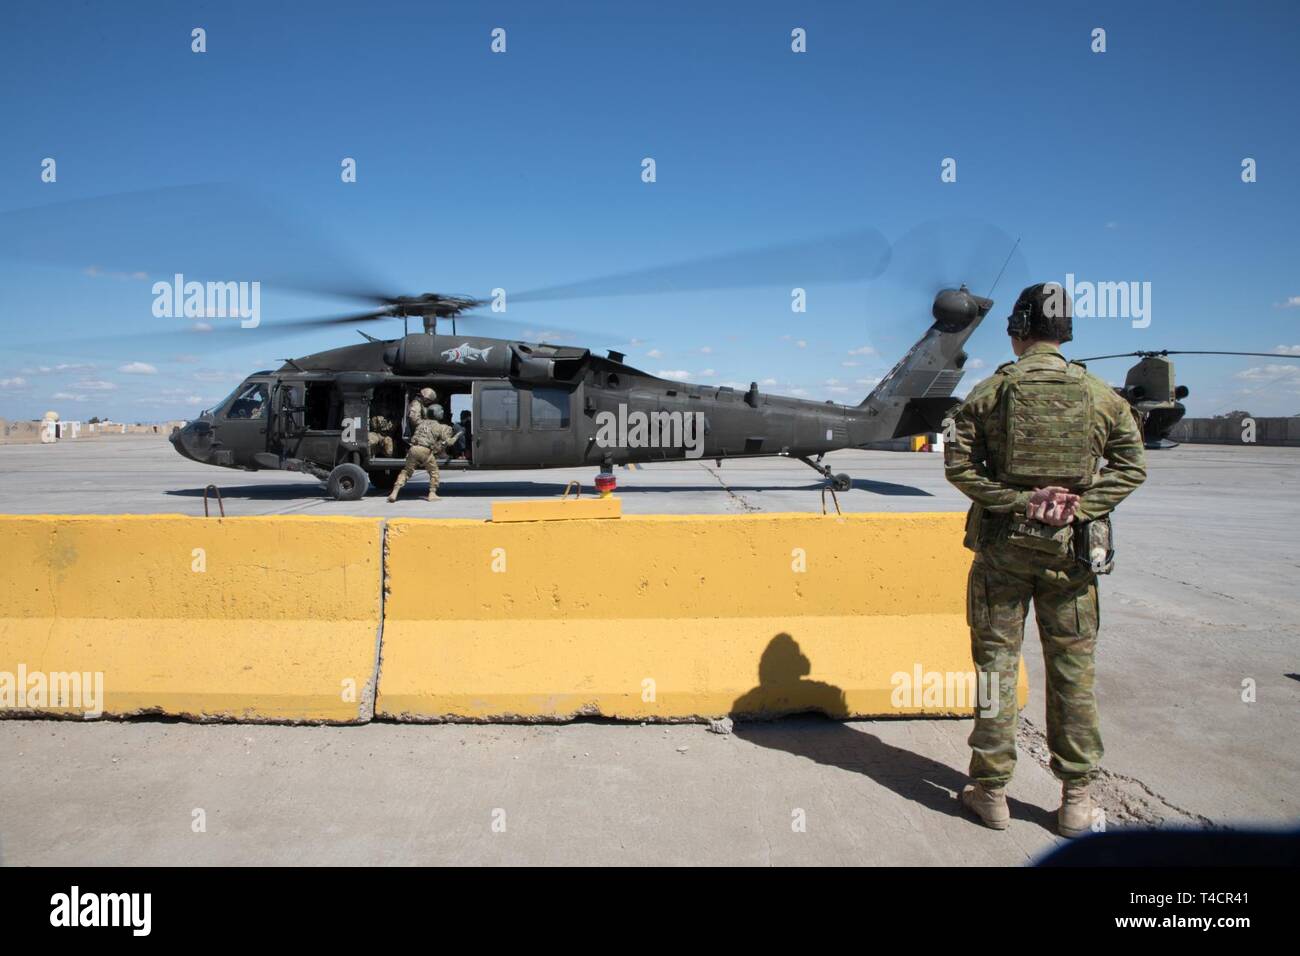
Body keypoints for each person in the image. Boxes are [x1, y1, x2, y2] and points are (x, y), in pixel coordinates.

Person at [944, 281, 1147, 838]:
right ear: (1066, 333)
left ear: (1017, 331)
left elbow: (959, 467)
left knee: (995, 671)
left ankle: (990, 793)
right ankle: (1076, 799)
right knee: (1072, 673)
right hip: (1072, 560)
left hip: (1002, 556)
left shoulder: (990, 392)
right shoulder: (1102, 395)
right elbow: (1132, 465)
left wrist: (1018, 501)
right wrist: (1079, 507)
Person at [388, 403, 455, 503]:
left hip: (413, 449)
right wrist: (456, 436)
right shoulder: (440, 427)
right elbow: (449, 442)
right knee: (434, 472)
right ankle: (432, 493)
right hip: (425, 451)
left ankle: (395, 492)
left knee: (406, 471)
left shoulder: (421, 424)